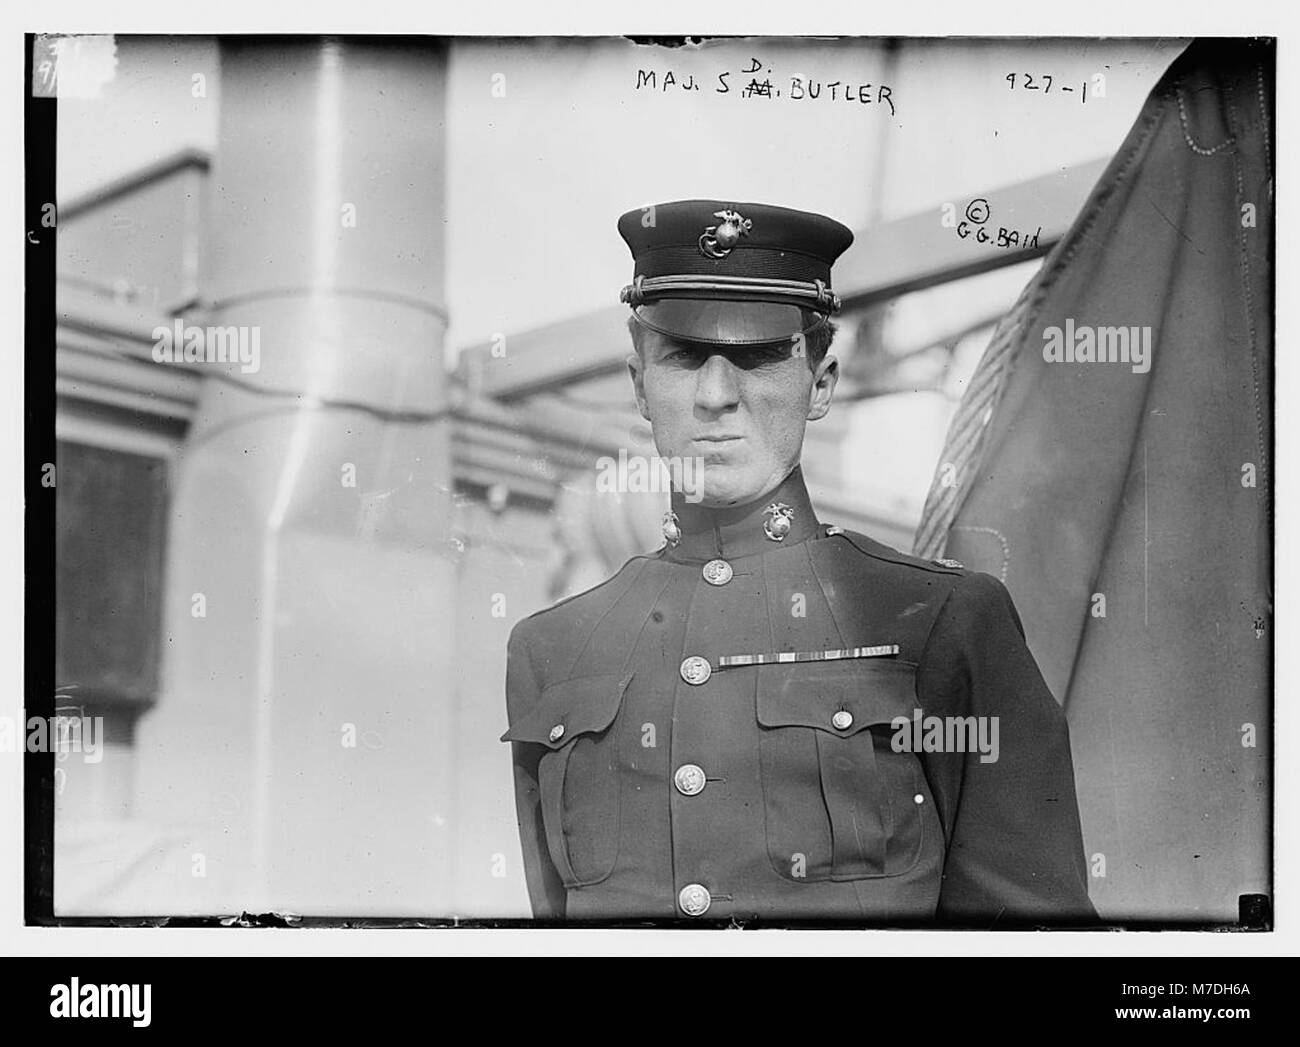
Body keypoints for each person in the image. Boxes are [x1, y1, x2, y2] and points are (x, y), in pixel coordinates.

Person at [501, 199, 1096, 924]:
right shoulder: (550, 651)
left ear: (822, 382)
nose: (716, 396)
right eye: (684, 357)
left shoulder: (942, 624)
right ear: (639, 385)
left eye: (755, 356)